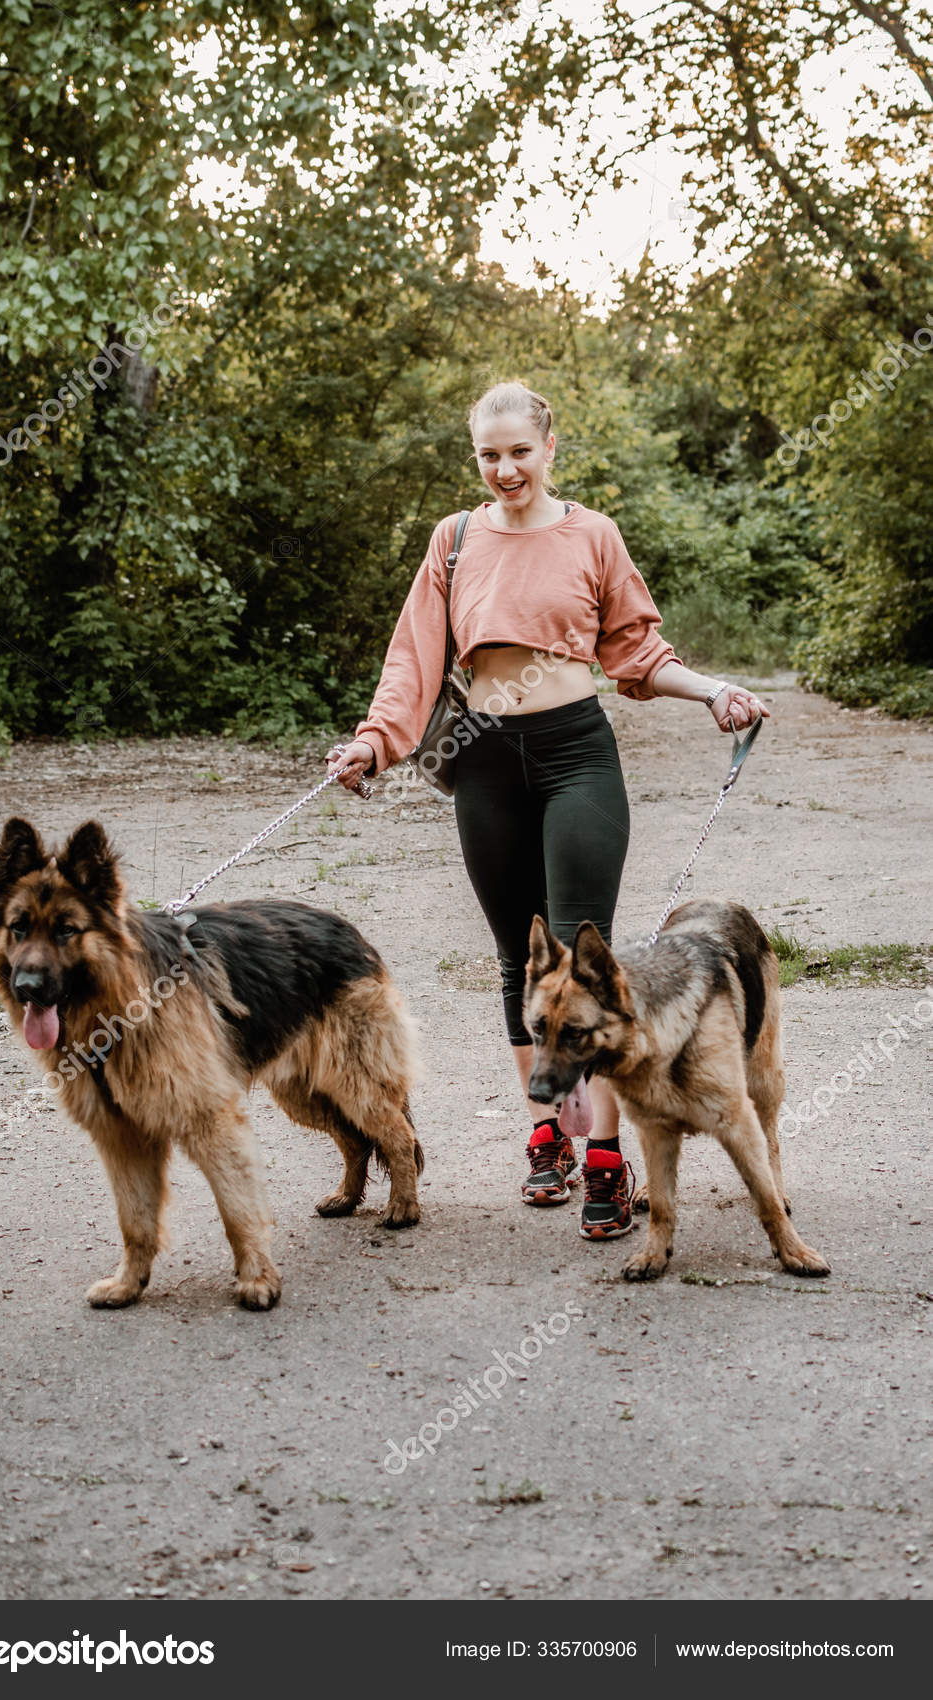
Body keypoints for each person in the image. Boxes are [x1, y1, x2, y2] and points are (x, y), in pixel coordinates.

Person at [327, 381, 767, 1240]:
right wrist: (375, 741)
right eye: (487, 455)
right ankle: (546, 1133)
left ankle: (605, 1152)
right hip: (482, 758)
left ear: (549, 448)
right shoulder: (452, 540)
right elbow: (414, 659)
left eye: (518, 452)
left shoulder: (591, 534)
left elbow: (637, 649)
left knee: (584, 952)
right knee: (516, 957)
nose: (503, 469)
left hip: (575, 752)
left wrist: (711, 691)